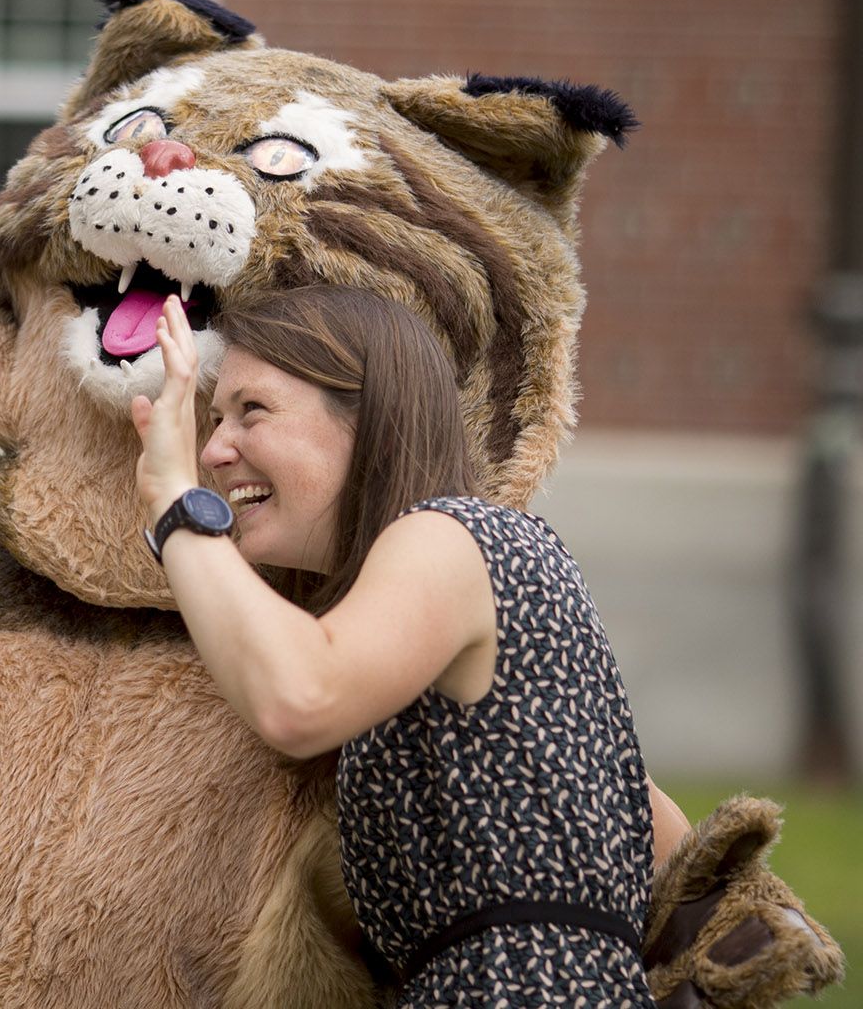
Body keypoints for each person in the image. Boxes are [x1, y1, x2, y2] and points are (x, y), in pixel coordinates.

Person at [132, 286, 688, 1006]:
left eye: (252, 411)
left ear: (368, 418)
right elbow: (664, 842)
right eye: (211, 420)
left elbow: (299, 696)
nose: (213, 449)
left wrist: (177, 505)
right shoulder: (462, 569)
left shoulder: (448, 536)